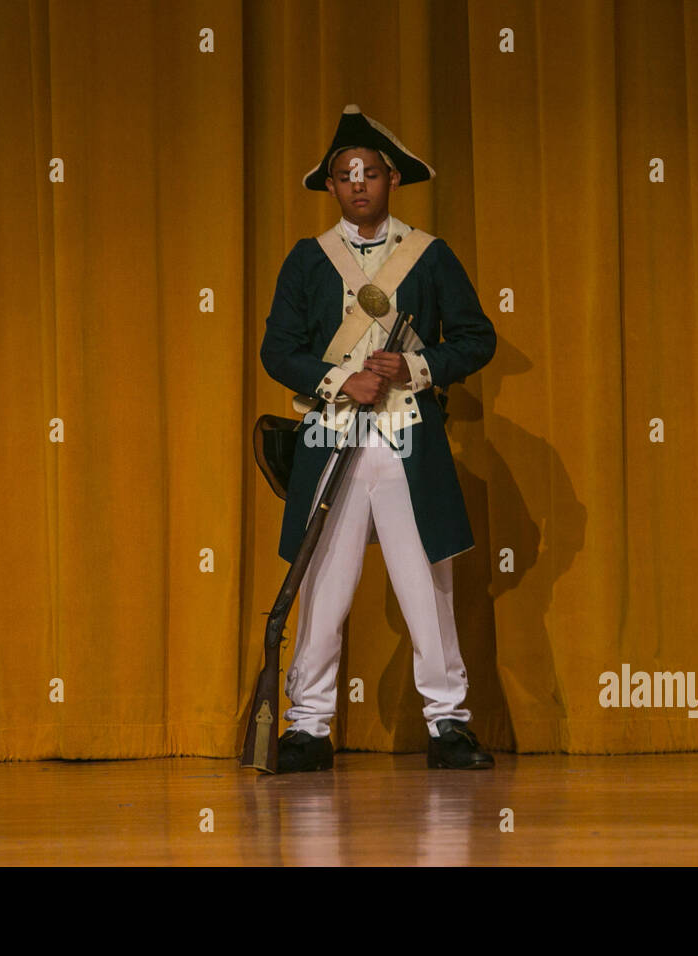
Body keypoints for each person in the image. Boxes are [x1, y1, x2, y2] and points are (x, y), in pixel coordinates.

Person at [260, 104, 496, 772]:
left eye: (368, 172)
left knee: (428, 585)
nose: (357, 183)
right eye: (344, 174)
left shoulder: (430, 255)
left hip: (407, 440)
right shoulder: (307, 262)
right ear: (331, 187)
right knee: (323, 584)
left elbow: (477, 338)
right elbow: (277, 350)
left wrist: (416, 368)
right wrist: (341, 380)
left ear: (392, 178)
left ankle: (448, 723)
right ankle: (307, 726)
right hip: (331, 440)